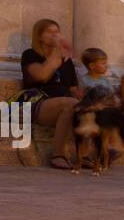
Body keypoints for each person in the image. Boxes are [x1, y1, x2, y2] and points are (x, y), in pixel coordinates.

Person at [18, 19, 82, 169]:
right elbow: (41, 75)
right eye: (49, 32)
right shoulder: (30, 54)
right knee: (69, 104)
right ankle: (58, 155)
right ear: (39, 36)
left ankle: (87, 155)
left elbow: (73, 88)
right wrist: (57, 55)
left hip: (64, 102)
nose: (55, 35)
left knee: (90, 107)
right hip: (37, 103)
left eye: (57, 32)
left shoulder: (66, 61)